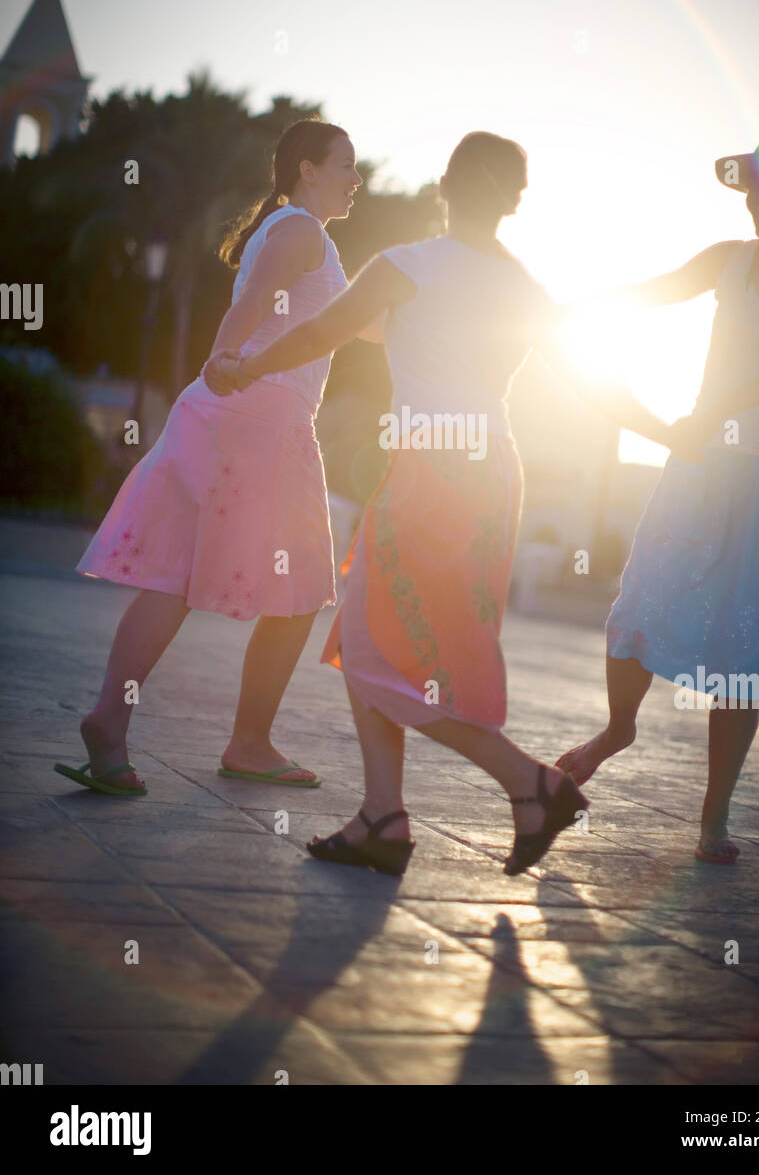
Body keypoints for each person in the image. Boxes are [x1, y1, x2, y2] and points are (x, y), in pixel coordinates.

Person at [204, 131, 694, 875]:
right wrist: (668, 432)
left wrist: (243, 367)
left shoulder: (408, 265)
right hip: (493, 473)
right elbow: (592, 385)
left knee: (373, 639)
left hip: (430, 468)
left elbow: (319, 332)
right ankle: (384, 818)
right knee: (399, 643)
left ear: (443, 186)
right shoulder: (524, 288)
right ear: (515, 201)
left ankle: (527, 782)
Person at [556, 126, 759, 863]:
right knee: (643, 598)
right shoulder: (726, 261)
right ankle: (615, 730)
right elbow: (648, 293)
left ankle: (714, 816)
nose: (757, 203)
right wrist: (576, 305)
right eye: (754, 189)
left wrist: (713, 409)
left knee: (747, 647)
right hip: (702, 463)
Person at [55, 119, 362, 796]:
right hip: (265, 417)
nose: (356, 179)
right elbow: (255, 308)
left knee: (175, 577)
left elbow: (308, 318)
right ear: (307, 168)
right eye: (345, 165)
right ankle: (249, 742)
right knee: (302, 588)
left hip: (236, 413)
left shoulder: (290, 231)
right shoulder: (301, 230)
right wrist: (223, 364)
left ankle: (110, 722)